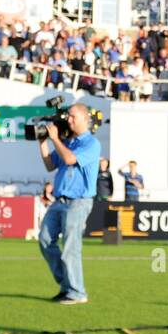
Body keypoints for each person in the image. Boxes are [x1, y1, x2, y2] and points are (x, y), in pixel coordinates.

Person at [37, 104, 101, 305]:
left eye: (73, 117)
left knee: (71, 247)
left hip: (78, 201)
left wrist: (55, 139)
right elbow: (50, 165)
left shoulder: (91, 143)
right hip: (60, 200)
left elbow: (70, 159)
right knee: (45, 240)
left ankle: (77, 292)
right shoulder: (69, 142)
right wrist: (43, 143)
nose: (69, 120)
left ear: (85, 118)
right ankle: (66, 285)